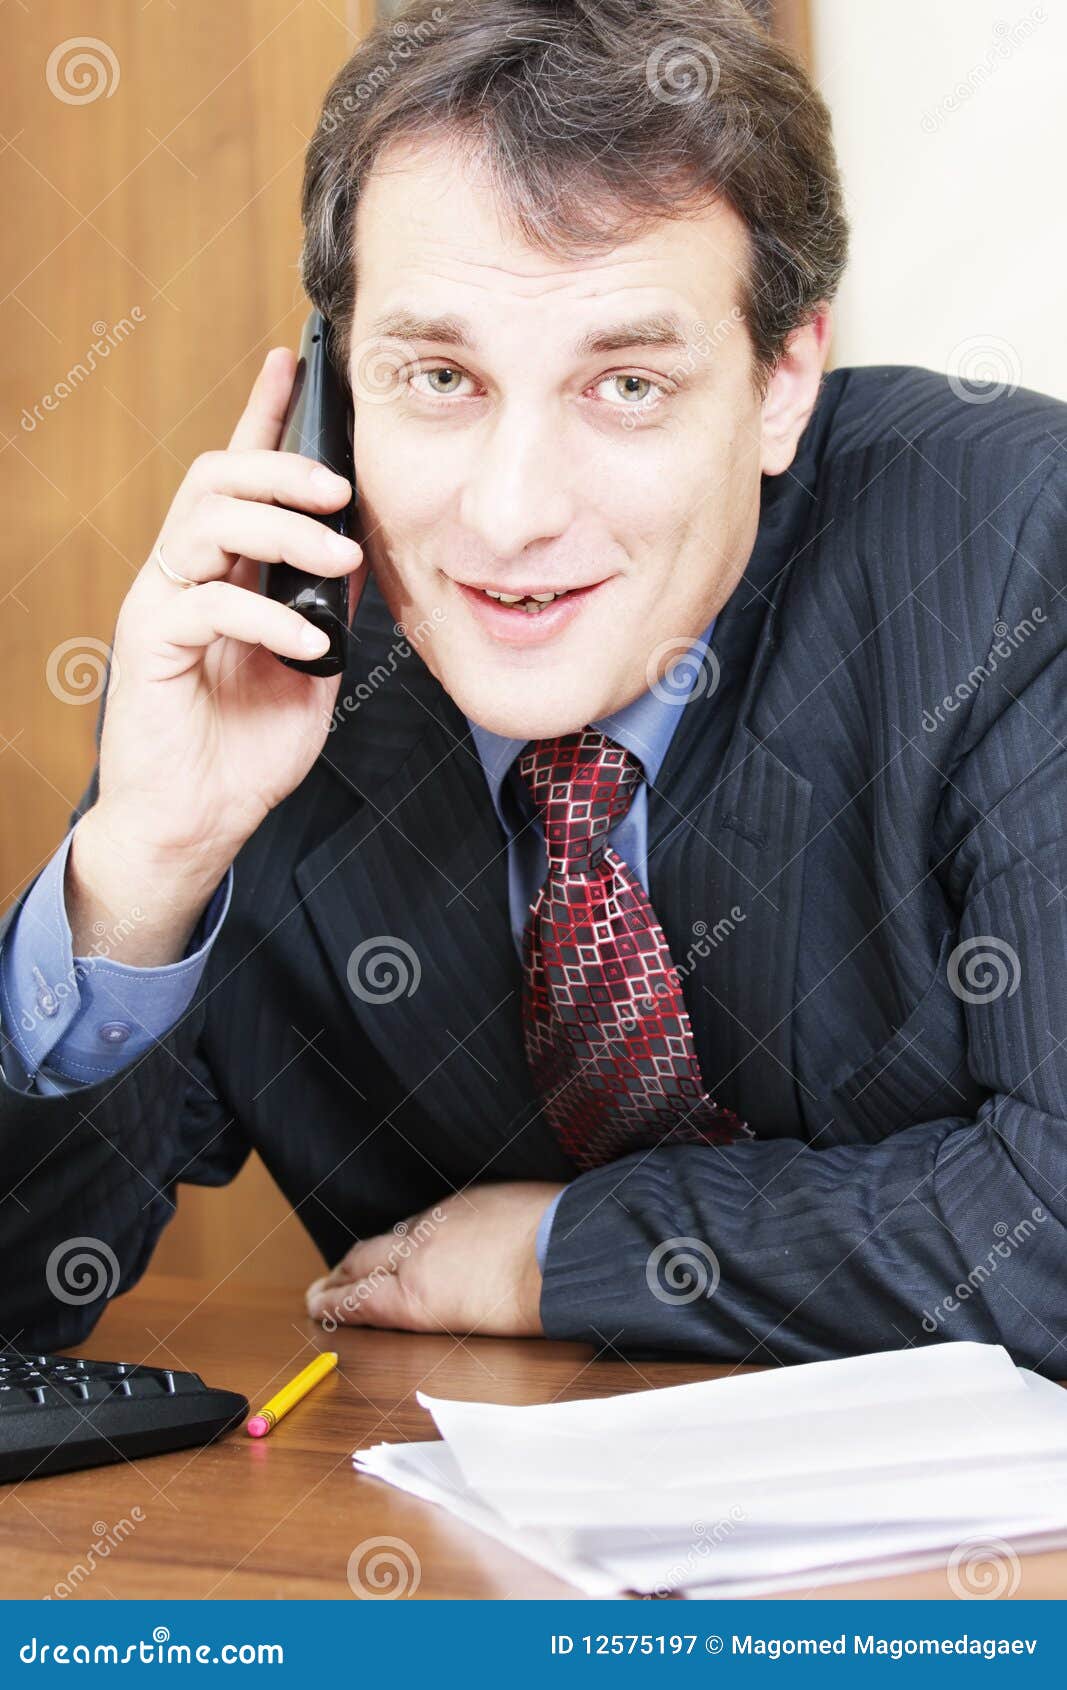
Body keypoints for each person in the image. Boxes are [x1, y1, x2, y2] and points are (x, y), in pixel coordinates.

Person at [2, 0, 1064, 1375]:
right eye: (440, 376)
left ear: (782, 379)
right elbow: (19, 1311)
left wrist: (562, 1254)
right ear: (337, 391)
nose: (511, 517)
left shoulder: (1009, 556)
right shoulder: (263, 665)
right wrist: (143, 869)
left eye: (626, 385)